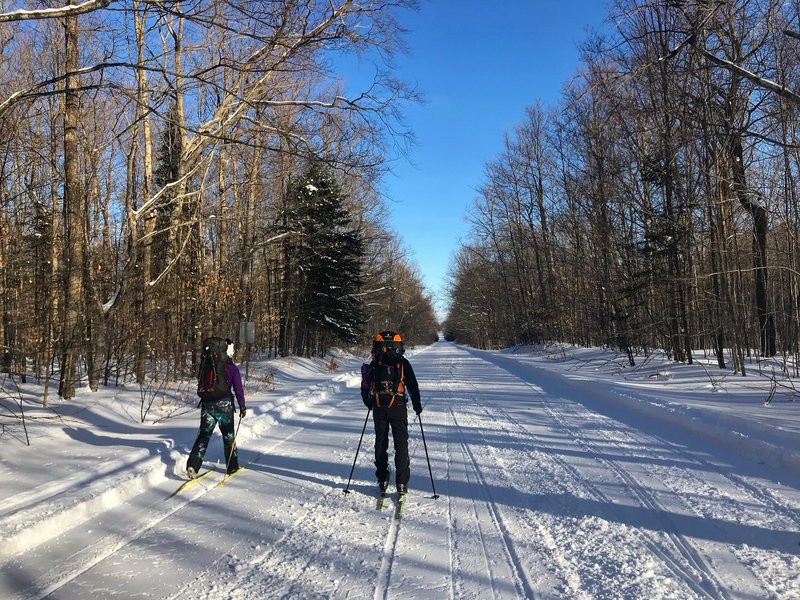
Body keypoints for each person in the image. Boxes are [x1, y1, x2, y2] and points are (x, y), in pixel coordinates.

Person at [360, 331, 421, 496]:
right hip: (398, 406)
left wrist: (369, 402)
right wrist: (417, 406)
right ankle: (401, 482)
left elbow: (366, 385)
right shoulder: (403, 362)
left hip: (379, 406)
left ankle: (382, 478)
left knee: (380, 441)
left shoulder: (374, 362)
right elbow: (412, 385)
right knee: (401, 443)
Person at [187, 338, 247, 477]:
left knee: (204, 436)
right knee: (228, 437)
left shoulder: (207, 366)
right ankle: (232, 467)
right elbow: (238, 389)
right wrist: (242, 406)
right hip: (224, 406)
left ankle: (193, 466)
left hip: (207, 404)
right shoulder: (232, 369)